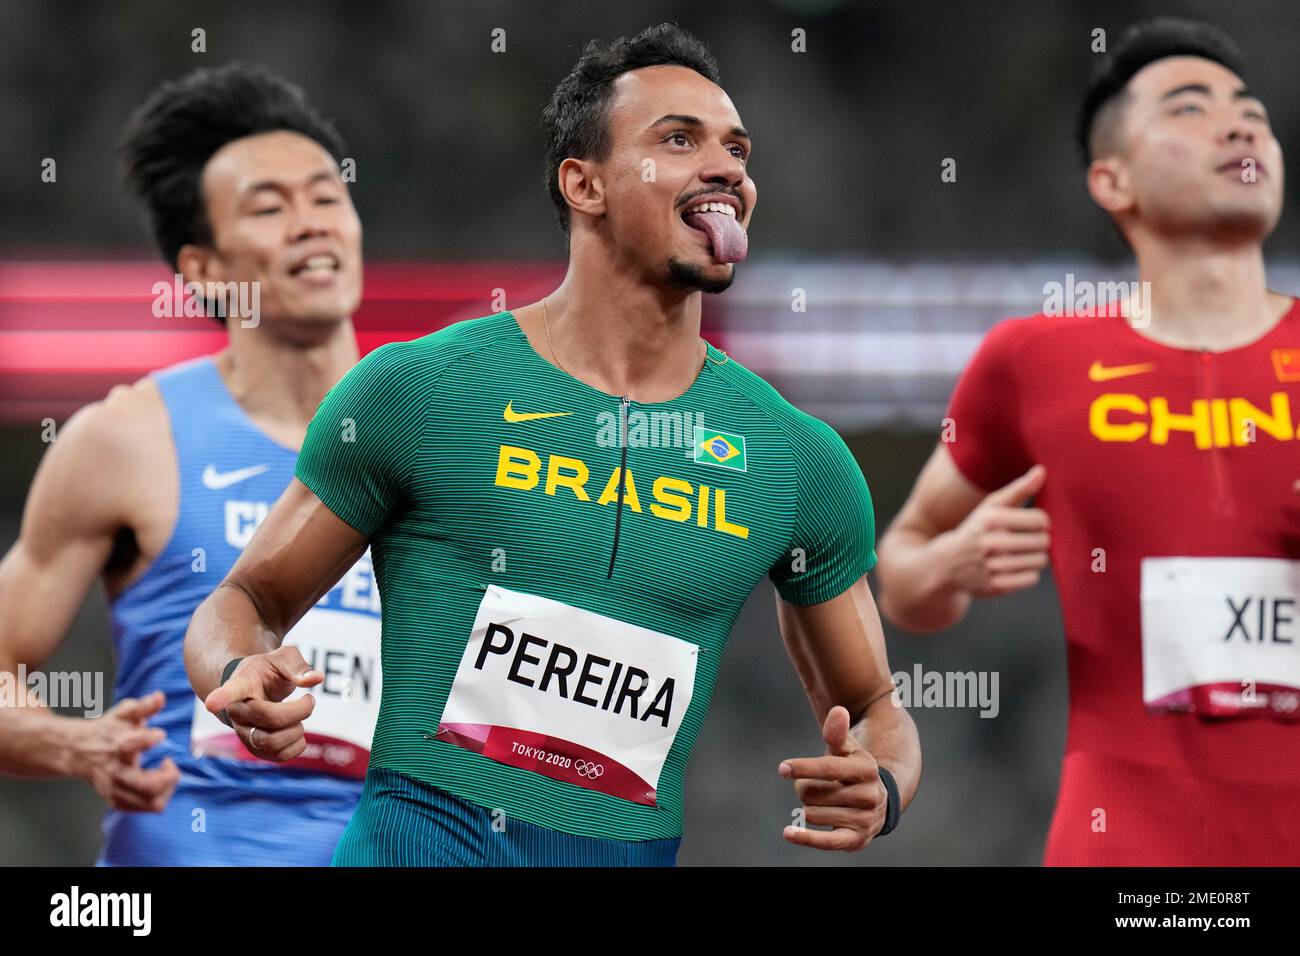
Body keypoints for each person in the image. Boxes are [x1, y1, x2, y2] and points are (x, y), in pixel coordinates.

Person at [187, 23, 920, 866]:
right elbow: (243, 602)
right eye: (679, 140)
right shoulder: (421, 390)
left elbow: (876, 708)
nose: (726, 169)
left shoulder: (796, 460)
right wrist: (238, 674)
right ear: (586, 184)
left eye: (737, 150)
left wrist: (884, 783)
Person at [876, 18, 1300, 865]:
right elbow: (900, 573)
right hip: (1128, 840)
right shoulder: (1036, 361)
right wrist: (955, 565)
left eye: (1250, 109)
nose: (1241, 124)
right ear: (1113, 179)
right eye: (1191, 108)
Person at [0, 63, 382, 865]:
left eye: (325, 195)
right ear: (203, 270)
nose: (311, 222)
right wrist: (74, 744)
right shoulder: (127, 440)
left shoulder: (434, 433)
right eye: (270, 208)